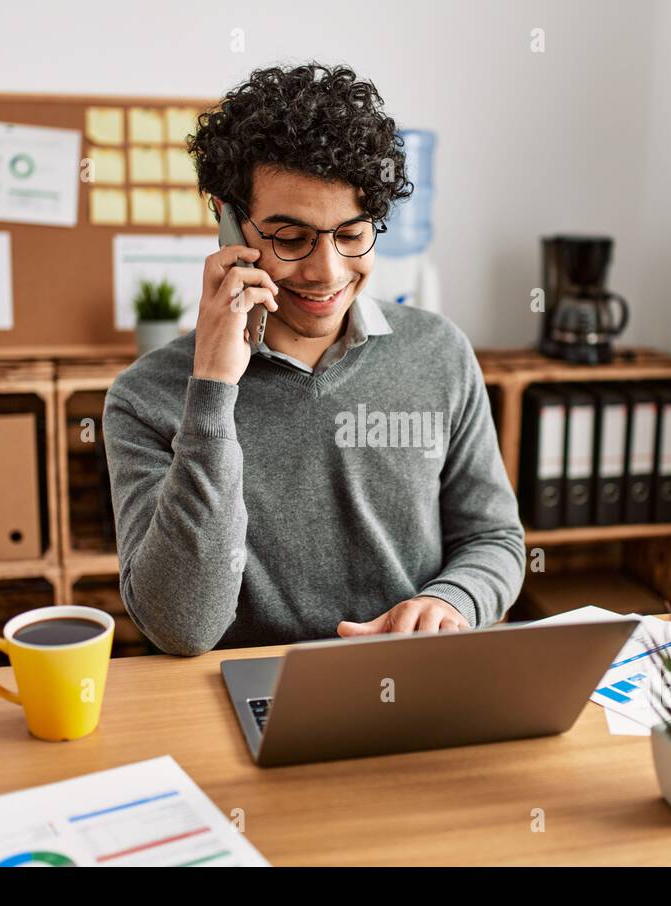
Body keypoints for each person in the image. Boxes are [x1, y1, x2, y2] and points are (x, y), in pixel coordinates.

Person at [103, 62, 524, 656]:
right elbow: (182, 626)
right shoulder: (147, 397)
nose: (326, 272)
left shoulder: (440, 352)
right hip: (238, 698)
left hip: (411, 678)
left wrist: (452, 600)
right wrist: (214, 390)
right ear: (228, 223)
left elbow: (494, 537)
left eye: (351, 235)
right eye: (290, 237)